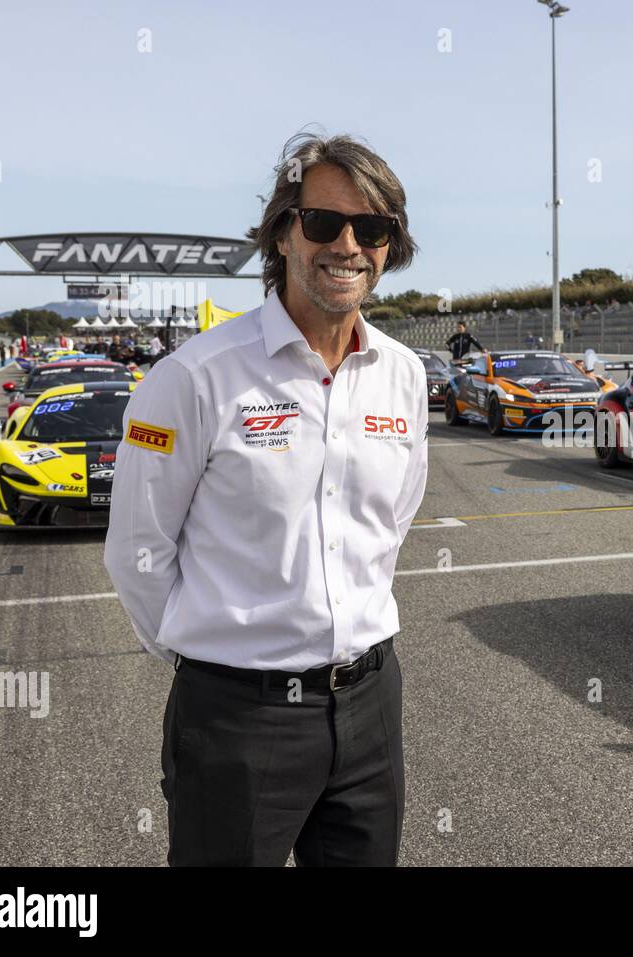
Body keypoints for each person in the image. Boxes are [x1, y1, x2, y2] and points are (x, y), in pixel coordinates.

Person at [104, 132, 425, 867]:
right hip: (237, 717)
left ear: (387, 249)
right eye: (323, 222)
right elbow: (138, 552)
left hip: (372, 705)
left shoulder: (404, 377)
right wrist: (218, 660)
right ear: (283, 231)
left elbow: (393, 521)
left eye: (371, 229)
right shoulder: (193, 377)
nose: (347, 244)